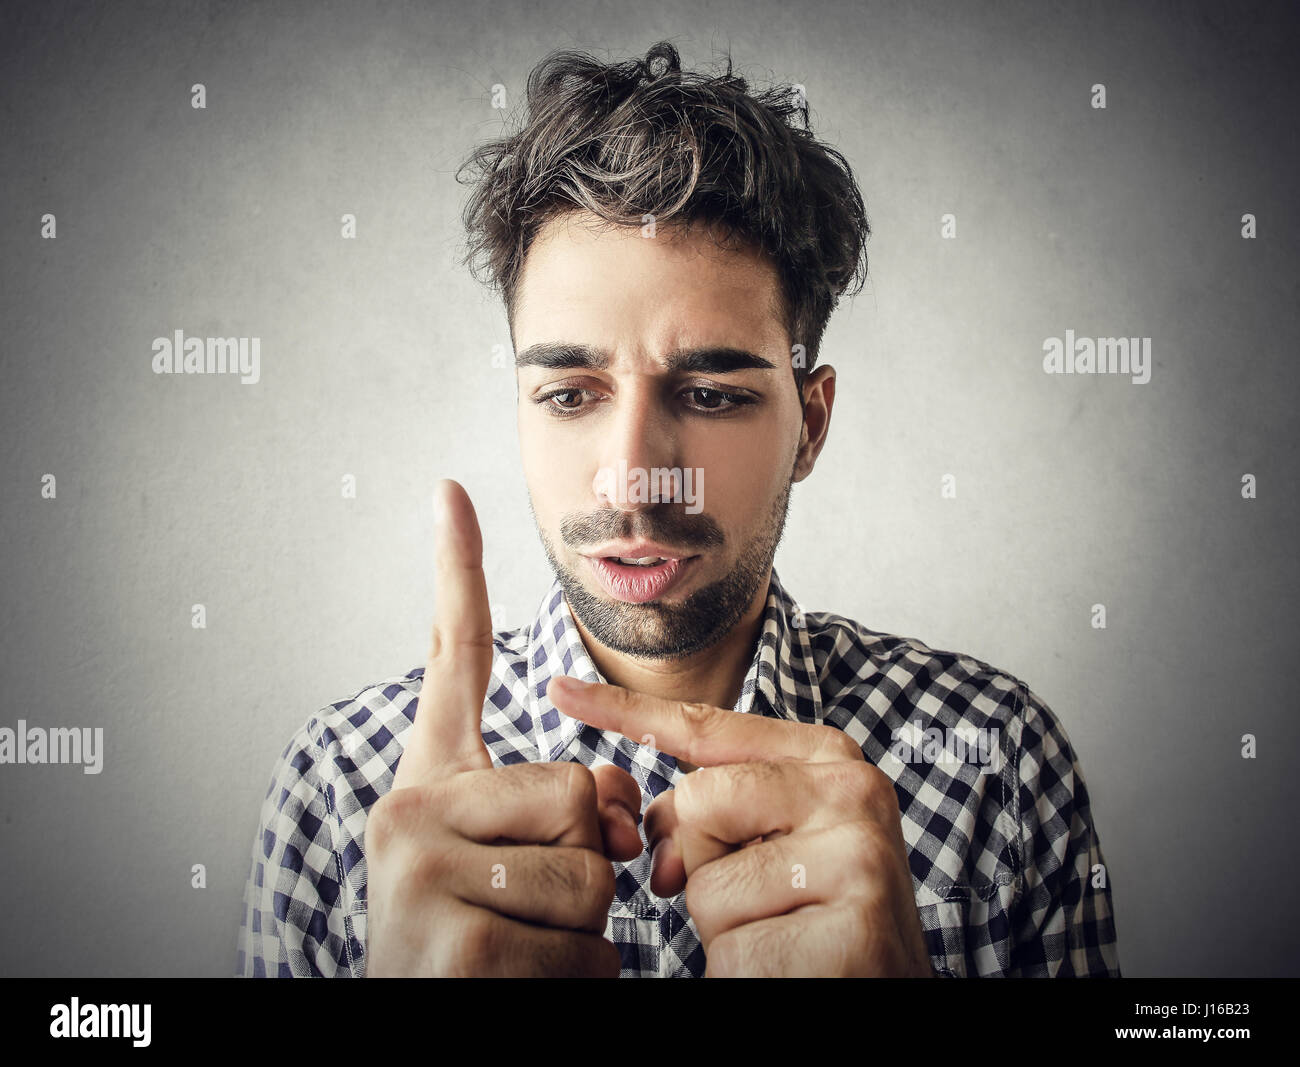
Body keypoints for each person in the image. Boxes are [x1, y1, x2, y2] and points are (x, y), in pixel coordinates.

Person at [236, 40, 1120, 978]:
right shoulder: (342, 792)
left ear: (809, 425)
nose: (634, 480)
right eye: (571, 395)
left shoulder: (996, 766)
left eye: (711, 395)